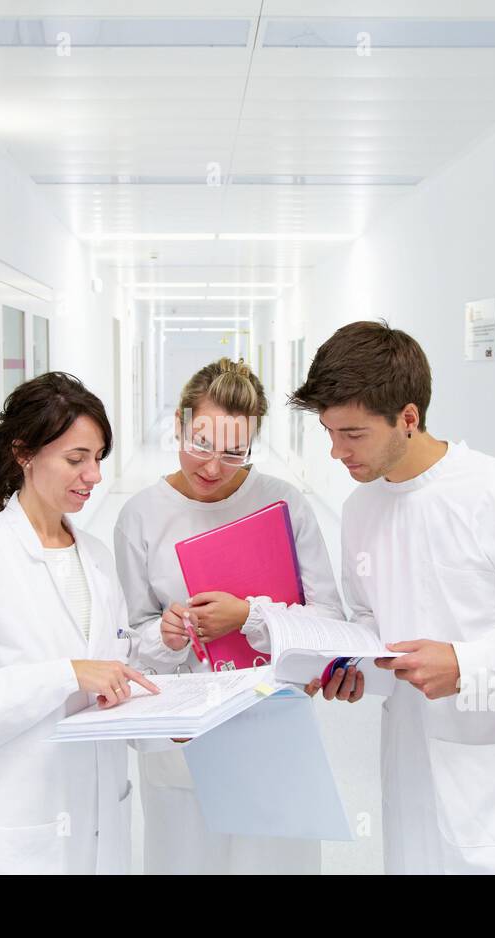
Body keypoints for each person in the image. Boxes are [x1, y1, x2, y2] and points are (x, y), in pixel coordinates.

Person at [288, 321, 495, 874]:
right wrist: (354, 668)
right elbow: (377, 624)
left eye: (352, 434)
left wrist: (468, 665)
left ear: (408, 416)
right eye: (328, 432)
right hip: (415, 766)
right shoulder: (362, 510)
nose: (335, 452)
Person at [0, 371, 158, 874]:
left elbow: (113, 675)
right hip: (19, 832)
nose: (94, 476)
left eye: (98, 458)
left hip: (102, 820)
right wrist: (65, 675)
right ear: (24, 454)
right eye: (76, 459)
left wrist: (167, 722)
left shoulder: (98, 559)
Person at [114, 357, 354, 874]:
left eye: (233, 452)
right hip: (182, 730)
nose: (212, 466)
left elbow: (329, 618)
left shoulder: (284, 504)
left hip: (270, 722)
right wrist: (167, 634)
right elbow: (129, 637)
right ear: (178, 422)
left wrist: (249, 616)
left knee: (273, 862)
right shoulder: (140, 515)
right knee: (185, 858)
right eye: (199, 443)